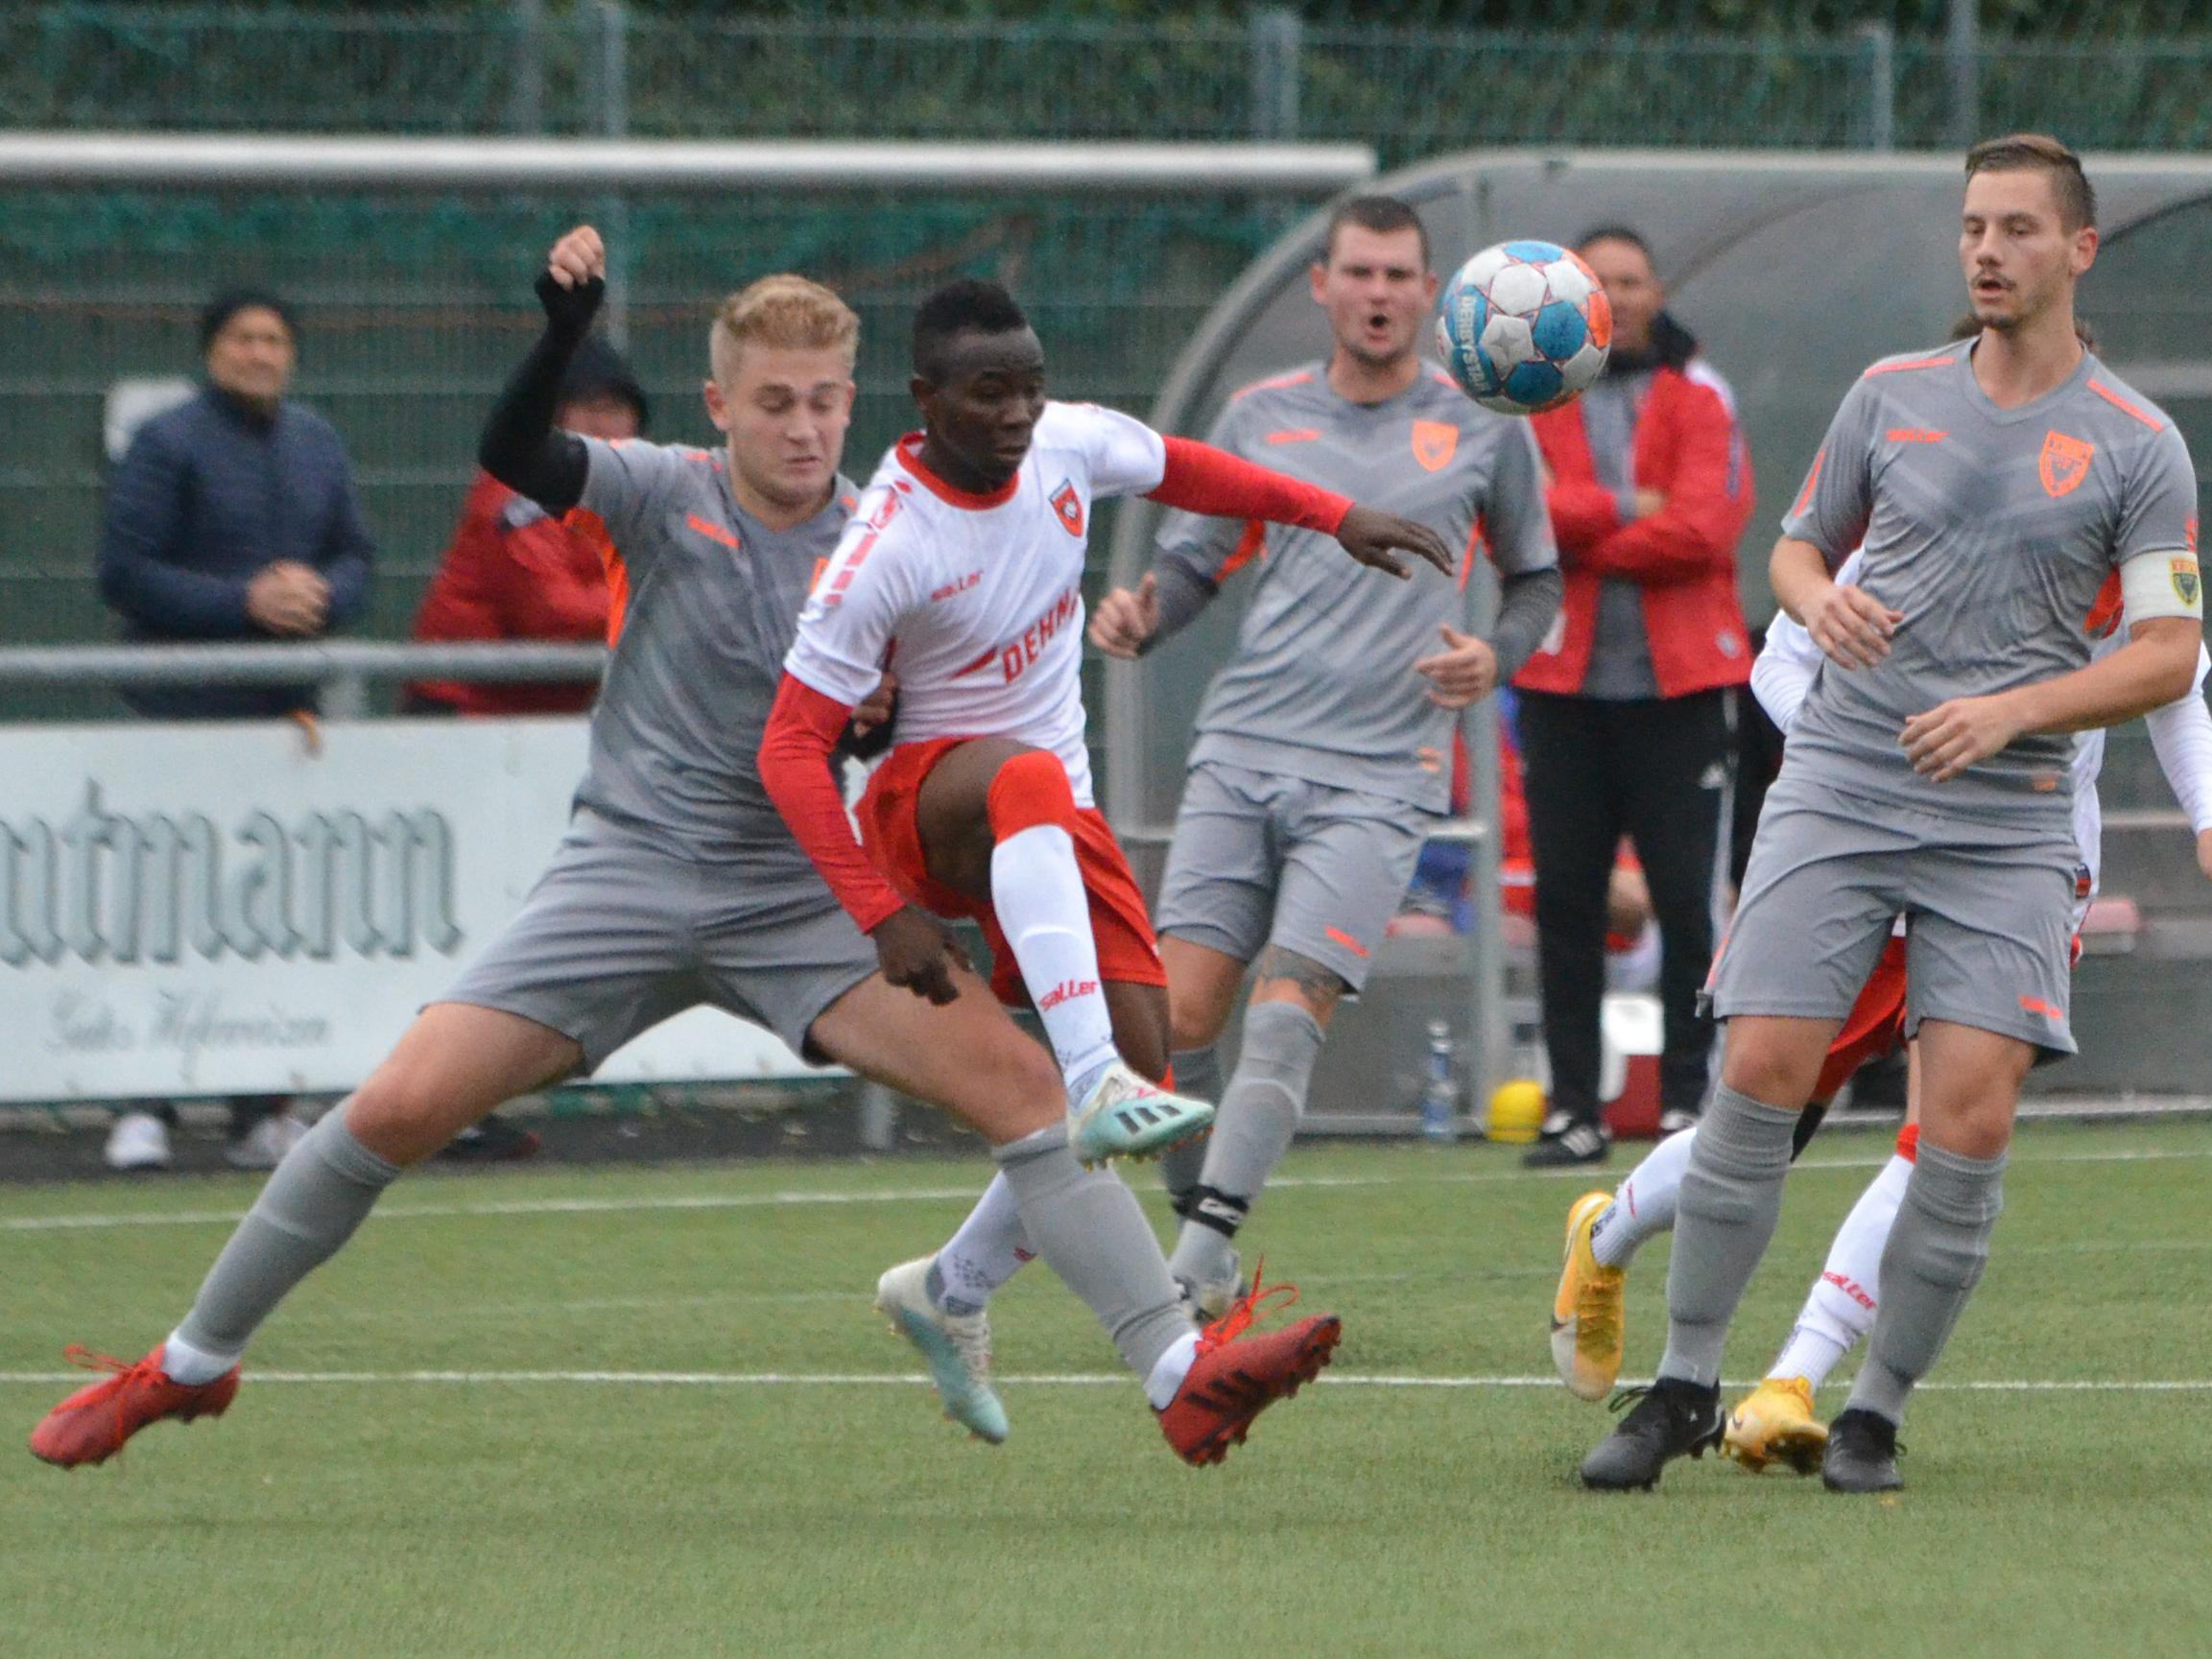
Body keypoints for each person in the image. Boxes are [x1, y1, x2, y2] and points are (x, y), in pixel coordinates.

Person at [29, 227, 1336, 1476]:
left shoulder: (884, 531)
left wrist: (901, 804)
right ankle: (190, 1362)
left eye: (822, 401)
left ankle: (1177, 1373)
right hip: (626, 876)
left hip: (797, 898)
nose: (802, 427)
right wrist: (561, 336)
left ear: (855, 402)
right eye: (773, 402)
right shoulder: (660, 489)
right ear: (719, 406)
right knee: (392, 1111)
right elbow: (511, 451)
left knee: (1029, 1095)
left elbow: (914, 723)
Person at [1576, 134, 2202, 1494]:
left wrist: (2013, 712)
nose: (1987, 250)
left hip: (2011, 816)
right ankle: (1682, 1384)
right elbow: (1796, 548)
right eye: (1973, 227)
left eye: (2017, 229)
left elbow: (2167, 656)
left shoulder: (2140, 446)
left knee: (1965, 1125)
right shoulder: (1887, 393)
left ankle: (1871, 1413)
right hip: (1844, 783)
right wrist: (1817, 600)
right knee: (1760, 1074)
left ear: (2079, 250)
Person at [756, 275, 1450, 1436]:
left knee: (1151, 1044)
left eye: (1028, 387)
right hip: (927, 808)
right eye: (987, 393)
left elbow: (1190, 470)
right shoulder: (886, 541)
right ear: (925, 399)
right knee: (1039, 821)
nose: (1016, 412)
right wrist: (877, 910)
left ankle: (949, 1286)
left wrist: (1333, 514)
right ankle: (1089, 1085)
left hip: (1047, 815)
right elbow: (787, 748)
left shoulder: (1066, 443)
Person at [1551, 543, 2212, 1451]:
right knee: (1764, 1129)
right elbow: (1780, 663)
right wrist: (1860, 762)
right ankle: (1607, 1236)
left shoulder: (2125, 506)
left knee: (1946, 1137)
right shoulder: (1911, 519)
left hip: (2024, 869)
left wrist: (2206, 815)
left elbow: (2174, 683)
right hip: (1868, 856)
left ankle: (1792, 1380)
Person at [1084, 193, 1560, 1314]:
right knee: (1174, 1022)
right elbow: (1194, 561)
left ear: (1430, 294)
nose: (1377, 293)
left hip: (1381, 776)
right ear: (1322, 286)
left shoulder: (1487, 422)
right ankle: (1198, 1247)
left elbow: (1537, 579)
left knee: (1286, 1009)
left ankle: (1189, 1271)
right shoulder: (1257, 415)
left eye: (1398, 275)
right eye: (1359, 272)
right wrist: (1145, 615)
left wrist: (1493, 656)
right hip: (1243, 747)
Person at [96, 286, 377, 1174]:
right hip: (178, 716)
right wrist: (244, 601)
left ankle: (260, 1110)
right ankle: (144, 1104)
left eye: (274, 339)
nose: (260, 353)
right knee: (166, 910)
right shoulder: (165, 441)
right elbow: (124, 571)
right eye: (243, 338)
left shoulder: (317, 442)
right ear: (212, 349)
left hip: (282, 720)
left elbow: (358, 556)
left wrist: (325, 592)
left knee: (271, 918)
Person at [1514, 225, 1757, 1167]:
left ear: (1656, 293)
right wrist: (1627, 508)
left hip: (1680, 688)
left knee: (1687, 904)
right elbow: (1515, 517)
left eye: (1629, 279)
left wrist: (1582, 539)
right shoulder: (1529, 392)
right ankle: (1572, 1108)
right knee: (1566, 902)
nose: (1616, 296)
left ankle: (1689, 1104)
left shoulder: (1700, 394)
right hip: (1560, 687)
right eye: (1598, 282)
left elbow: (1704, 528)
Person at [406, 335, 649, 717]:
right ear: (553, 416)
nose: (606, 426)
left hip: (535, 716)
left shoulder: (616, 495)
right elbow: (553, 613)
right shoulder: (520, 488)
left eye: (618, 411)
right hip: (460, 711)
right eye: (590, 409)